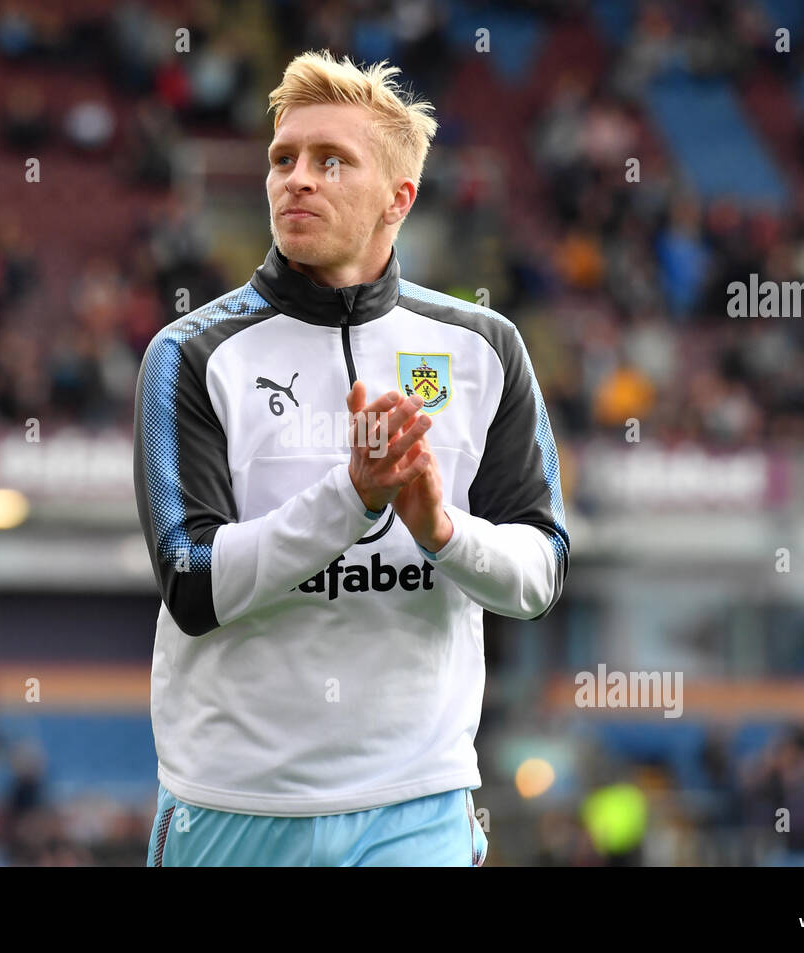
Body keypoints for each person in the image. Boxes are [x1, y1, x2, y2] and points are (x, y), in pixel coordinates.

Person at [133, 49, 570, 866]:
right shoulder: (189, 354)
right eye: (284, 159)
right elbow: (191, 582)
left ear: (397, 199)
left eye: (332, 161)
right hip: (234, 808)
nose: (297, 178)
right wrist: (353, 498)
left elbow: (540, 573)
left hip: (418, 806)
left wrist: (443, 530)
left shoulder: (485, 347)